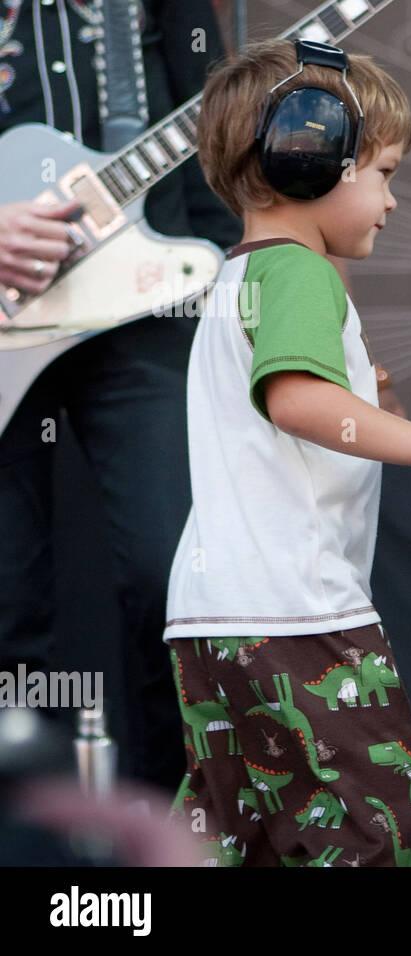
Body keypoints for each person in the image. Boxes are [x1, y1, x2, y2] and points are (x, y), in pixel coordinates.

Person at [162, 37, 411, 866]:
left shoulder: (241, 275)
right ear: (310, 156)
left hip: (209, 617)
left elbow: (303, 408)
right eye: (386, 172)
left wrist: (369, 406)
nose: (392, 201)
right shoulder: (301, 273)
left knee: (236, 834)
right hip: (293, 611)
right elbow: (296, 400)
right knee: (371, 817)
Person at [0, 0, 242, 792]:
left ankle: (172, 835)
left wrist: (226, 285)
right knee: (6, 602)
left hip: (148, 291)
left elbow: (207, 128)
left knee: (180, 578)